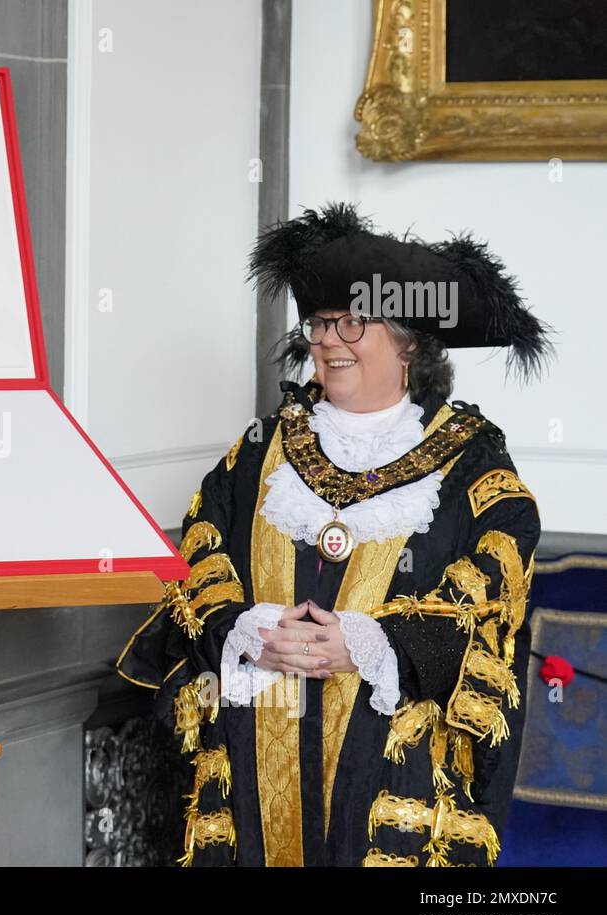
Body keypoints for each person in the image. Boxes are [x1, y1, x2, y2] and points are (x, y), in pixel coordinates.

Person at [116, 202, 553, 866]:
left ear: (408, 341)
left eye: (353, 321)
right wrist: (245, 627)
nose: (326, 339)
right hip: (255, 748)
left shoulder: (472, 460)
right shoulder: (262, 448)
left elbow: (495, 591)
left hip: (392, 767)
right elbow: (201, 550)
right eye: (319, 323)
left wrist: (375, 644)